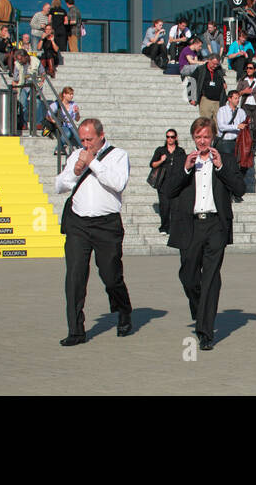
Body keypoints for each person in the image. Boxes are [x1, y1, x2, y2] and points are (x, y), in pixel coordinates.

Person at [165, 116, 246, 350]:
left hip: (215, 225)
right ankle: (200, 309)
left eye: (206, 137)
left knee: (211, 277)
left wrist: (221, 167)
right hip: (190, 225)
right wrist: (185, 169)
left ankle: (205, 332)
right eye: (198, 137)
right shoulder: (182, 159)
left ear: (213, 137)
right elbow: (169, 190)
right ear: (193, 137)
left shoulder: (226, 159)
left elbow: (239, 188)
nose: (202, 141)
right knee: (188, 276)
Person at [53, 119, 132, 346]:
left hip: (106, 224)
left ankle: (123, 308)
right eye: (83, 139)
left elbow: (118, 183)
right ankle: (76, 330)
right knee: (75, 276)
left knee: (110, 274)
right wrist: (76, 171)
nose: (86, 144)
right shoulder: (76, 155)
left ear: (101, 136)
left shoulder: (118, 155)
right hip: (78, 224)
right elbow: (59, 185)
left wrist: (93, 164)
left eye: (90, 139)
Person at [149, 129, 185, 234]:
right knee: (164, 206)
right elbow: (152, 164)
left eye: (172, 137)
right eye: (168, 137)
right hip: (163, 182)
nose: (170, 139)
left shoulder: (180, 151)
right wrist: (161, 160)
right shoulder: (160, 150)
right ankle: (164, 227)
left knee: (175, 206)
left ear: (176, 138)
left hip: (176, 182)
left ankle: (174, 228)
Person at [215, 91, 247, 171]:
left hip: (237, 142)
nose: (237, 100)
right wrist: (237, 126)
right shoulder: (222, 110)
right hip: (225, 142)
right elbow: (221, 127)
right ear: (229, 99)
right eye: (235, 98)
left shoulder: (241, 112)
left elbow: (244, 125)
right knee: (227, 166)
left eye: (238, 98)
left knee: (237, 166)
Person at [192, 55, 226, 121]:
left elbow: (221, 79)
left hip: (218, 101)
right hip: (206, 100)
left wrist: (223, 82)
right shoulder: (200, 69)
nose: (215, 66)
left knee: (217, 124)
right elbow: (192, 82)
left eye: (217, 64)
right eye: (213, 64)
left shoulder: (219, 70)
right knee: (206, 122)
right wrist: (192, 98)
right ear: (209, 60)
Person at [49, 86, 81, 154]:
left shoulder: (73, 104)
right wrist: (55, 121)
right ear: (64, 94)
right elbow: (48, 115)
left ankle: (84, 149)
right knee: (68, 133)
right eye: (70, 94)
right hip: (61, 124)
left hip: (71, 125)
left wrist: (77, 112)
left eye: (72, 94)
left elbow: (77, 119)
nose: (71, 96)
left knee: (77, 133)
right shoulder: (57, 104)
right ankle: (58, 149)